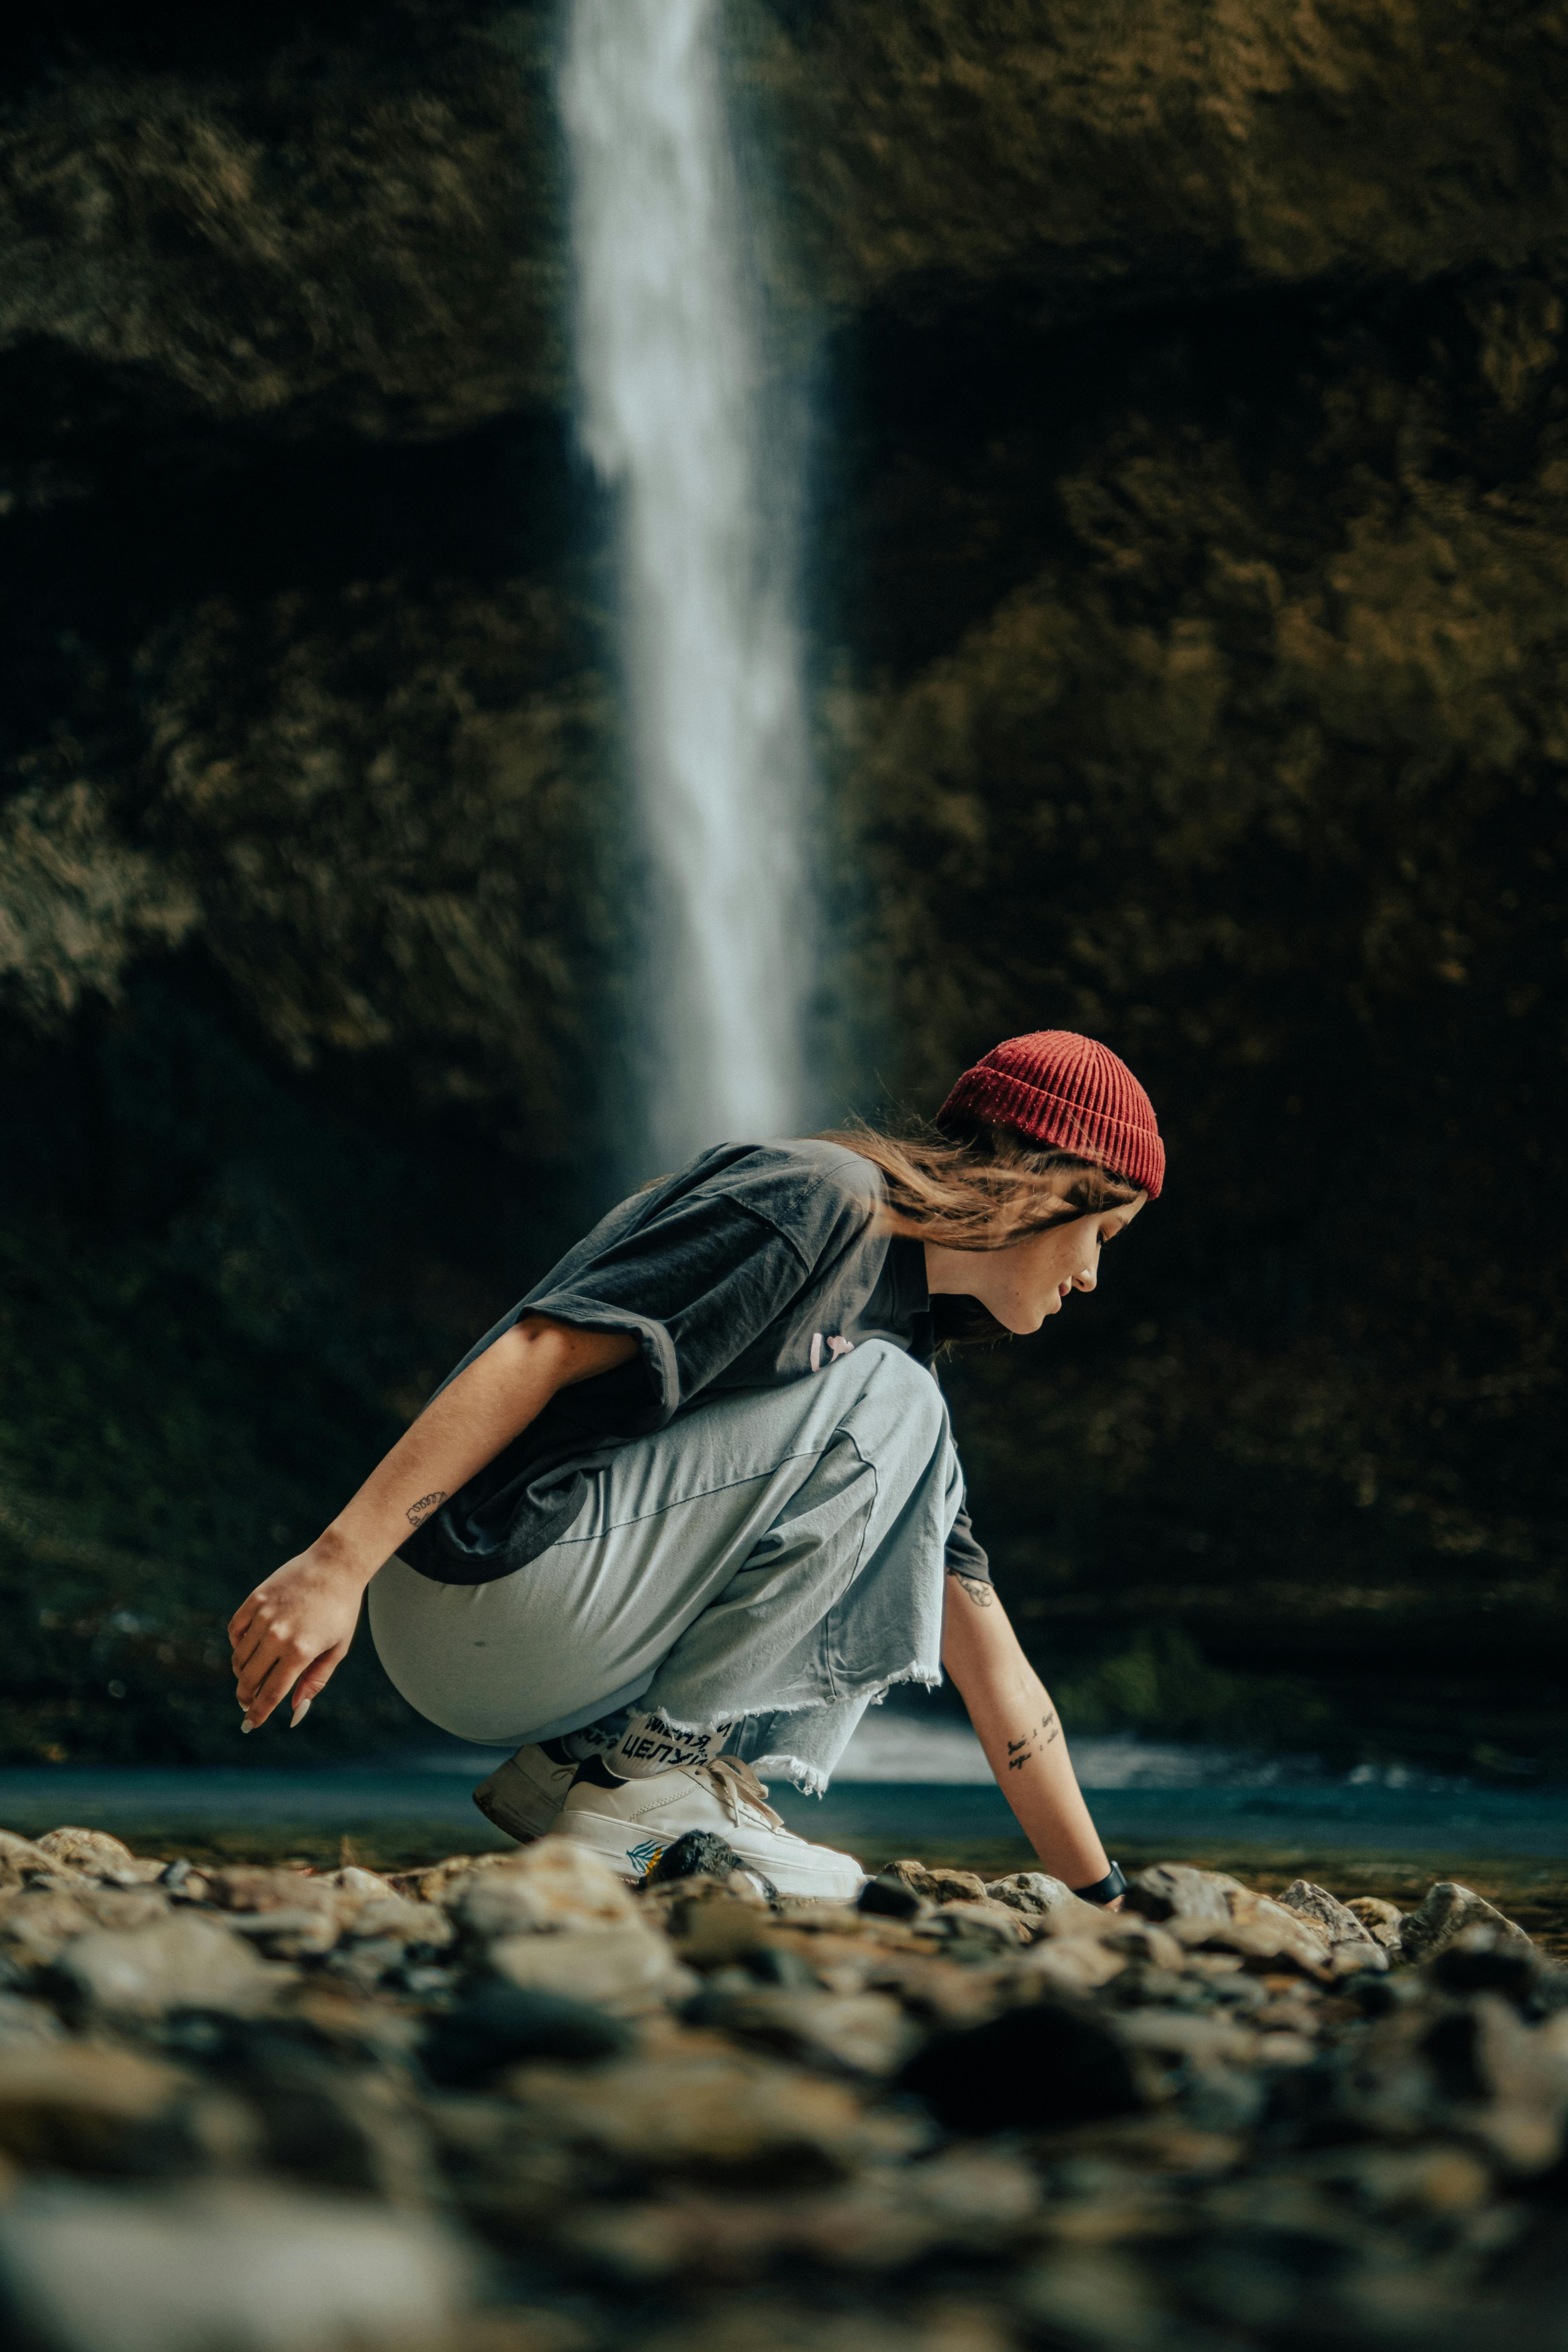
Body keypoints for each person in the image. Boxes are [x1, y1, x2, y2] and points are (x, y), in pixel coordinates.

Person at [228, 1029, 1162, 1902]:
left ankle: (593, 1775)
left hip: (535, 1656)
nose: (1090, 1278)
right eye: (1103, 1237)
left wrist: (1101, 1899)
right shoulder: (823, 1199)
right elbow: (542, 1348)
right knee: (899, 1403)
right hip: (482, 1577)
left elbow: (985, 1654)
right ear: (1050, 1182)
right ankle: (649, 1779)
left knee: (908, 1419)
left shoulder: (894, 1363)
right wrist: (337, 1563)